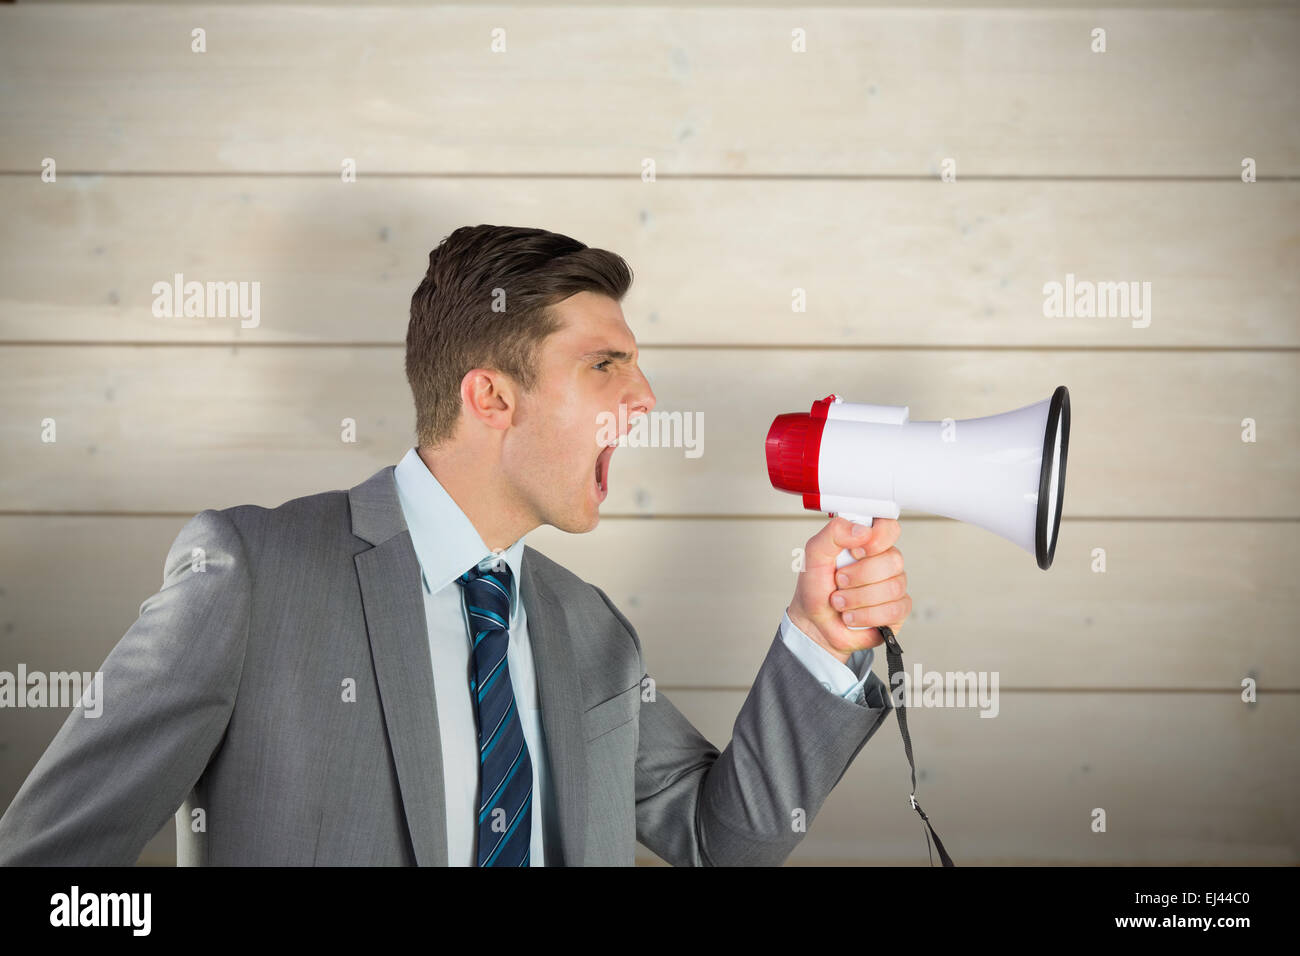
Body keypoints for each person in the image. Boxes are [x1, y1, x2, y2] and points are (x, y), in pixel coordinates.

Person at [0, 224, 911, 866]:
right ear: (490, 399)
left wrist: (820, 642)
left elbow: (724, 841)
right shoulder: (252, 574)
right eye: (606, 365)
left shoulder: (591, 631)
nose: (646, 399)